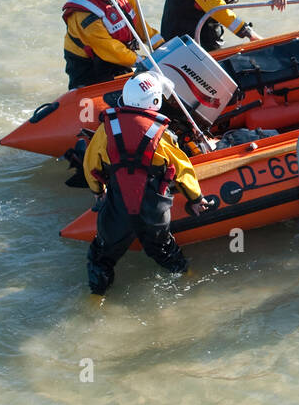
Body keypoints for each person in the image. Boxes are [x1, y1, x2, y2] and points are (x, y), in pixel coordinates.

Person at [82, 72, 210, 294]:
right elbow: (182, 169)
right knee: (166, 252)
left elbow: (90, 164)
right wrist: (196, 199)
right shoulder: (161, 133)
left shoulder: (106, 129)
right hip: (154, 212)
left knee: (101, 258)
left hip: (117, 211)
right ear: (155, 101)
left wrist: (98, 190)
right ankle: (190, 280)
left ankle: (97, 296)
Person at [62, 0, 158, 89]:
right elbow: (107, 47)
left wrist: (161, 45)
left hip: (118, 52)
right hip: (87, 61)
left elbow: (140, 25)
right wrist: (140, 61)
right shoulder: (86, 16)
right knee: (89, 92)